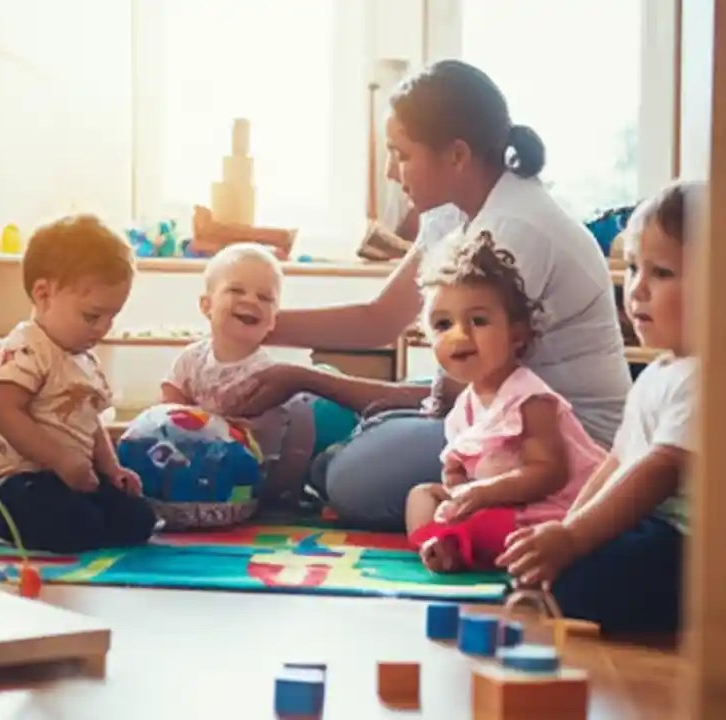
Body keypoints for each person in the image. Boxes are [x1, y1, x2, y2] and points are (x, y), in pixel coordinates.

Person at [225, 59, 630, 530]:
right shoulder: (453, 212)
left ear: (456, 155)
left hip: (557, 440)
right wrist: (255, 322)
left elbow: (454, 392)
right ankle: (345, 446)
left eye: (401, 154)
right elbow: (379, 319)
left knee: (352, 481)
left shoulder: (513, 229)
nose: (392, 172)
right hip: (488, 404)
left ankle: (343, 455)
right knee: (333, 424)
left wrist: (309, 379)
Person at [497, 180, 701, 633]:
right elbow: (615, 464)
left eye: (662, 273)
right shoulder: (658, 374)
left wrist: (573, 540)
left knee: (581, 580)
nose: (638, 290)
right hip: (655, 528)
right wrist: (568, 531)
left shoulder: (704, 378)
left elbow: (659, 471)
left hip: (697, 551)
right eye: (632, 269)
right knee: (551, 564)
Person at [404, 230, 606, 573]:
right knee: (421, 496)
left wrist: (482, 494)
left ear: (517, 334)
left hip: (550, 510)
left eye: (478, 321)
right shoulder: (463, 410)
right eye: (442, 324)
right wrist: (457, 490)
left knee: (489, 524)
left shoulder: (530, 397)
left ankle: (457, 545)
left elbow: (548, 474)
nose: (460, 336)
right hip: (496, 505)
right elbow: (461, 471)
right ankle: (439, 544)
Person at [0, 214, 159, 553]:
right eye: (92, 316)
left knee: (138, 518)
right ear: (44, 294)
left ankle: (86, 516)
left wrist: (112, 469)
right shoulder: (28, 347)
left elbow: (92, 422)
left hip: (68, 477)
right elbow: (5, 412)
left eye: (111, 318)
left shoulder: (84, 356)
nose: (102, 329)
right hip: (21, 478)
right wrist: (60, 459)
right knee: (75, 523)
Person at [160, 243, 316, 508]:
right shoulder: (191, 358)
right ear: (206, 305)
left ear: (273, 320)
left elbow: (291, 433)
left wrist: (285, 483)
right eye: (236, 290)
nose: (251, 301)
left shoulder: (267, 374)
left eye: (265, 298)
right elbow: (169, 404)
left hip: (249, 473)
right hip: (196, 462)